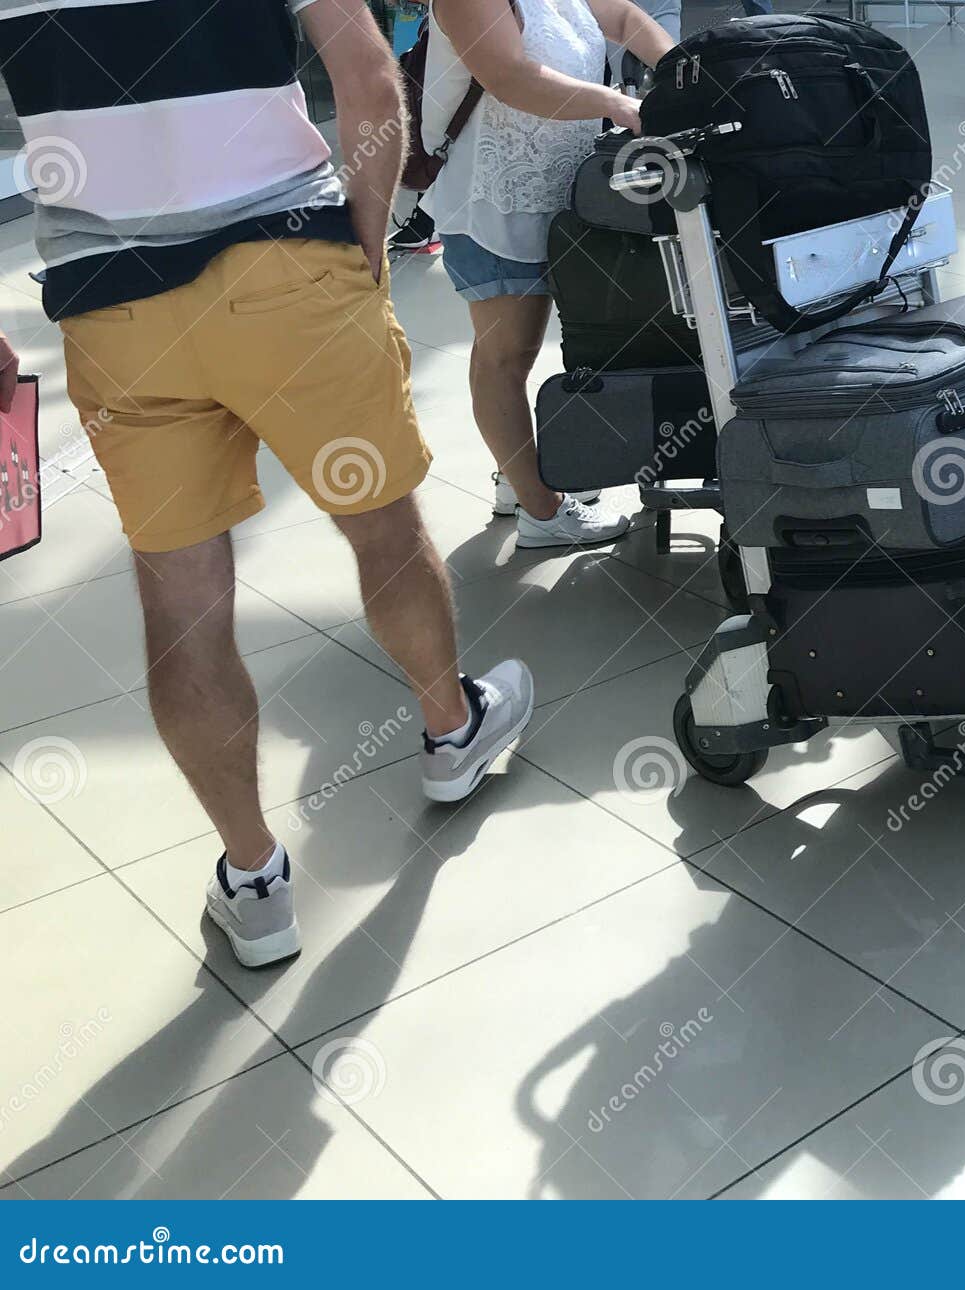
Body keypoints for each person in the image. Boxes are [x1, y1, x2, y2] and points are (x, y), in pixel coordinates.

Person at [0, 0, 535, 967]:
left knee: (183, 600)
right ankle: (450, 731)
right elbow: (371, 86)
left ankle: (253, 880)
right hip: (289, 269)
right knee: (381, 527)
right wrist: (359, 256)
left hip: (115, 311)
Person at [424, 0, 672, 547]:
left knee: (534, 348)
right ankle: (541, 511)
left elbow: (628, 19)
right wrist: (621, 105)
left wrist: (682, 71)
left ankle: (520, 477)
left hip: (562, 194)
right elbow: (511, 76)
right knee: (505, 354)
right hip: (497, 196)